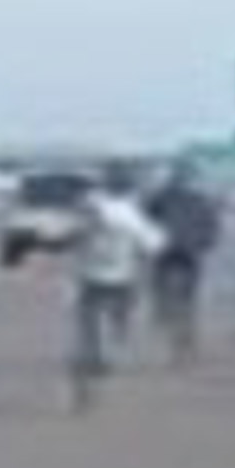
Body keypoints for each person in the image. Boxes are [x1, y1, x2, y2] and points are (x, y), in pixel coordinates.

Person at [69, 162, 165, 383]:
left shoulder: (89, 206)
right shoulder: (130, 212)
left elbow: (74, 236)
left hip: (90, 272)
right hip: (123, 275)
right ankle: (106, 355)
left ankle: (92, 354)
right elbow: (154, 243)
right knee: (119, 318)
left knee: (88, 317)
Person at [144, 162, 222, 363]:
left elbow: (146, 220)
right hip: (185, 251)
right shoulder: (197, 199)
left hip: (170, 250)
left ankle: (173, 332)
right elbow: (211, 226)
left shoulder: (162, 197)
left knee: (168, 294)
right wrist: (205, 243)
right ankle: (182, 338)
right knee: (185, 298)